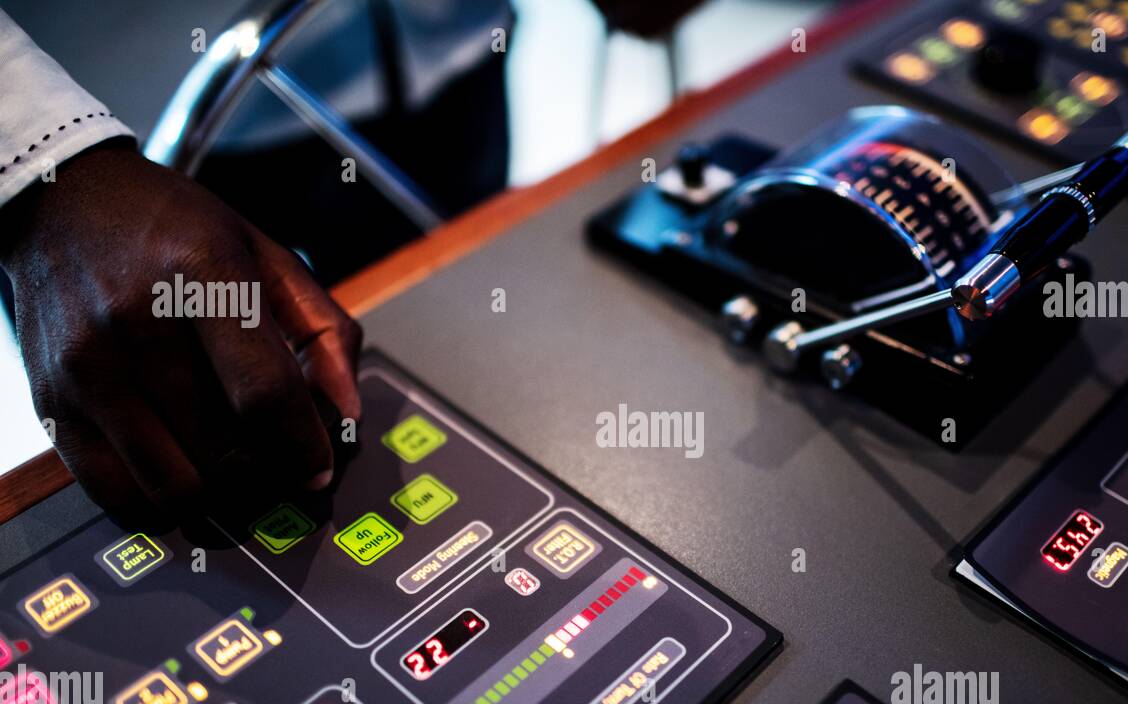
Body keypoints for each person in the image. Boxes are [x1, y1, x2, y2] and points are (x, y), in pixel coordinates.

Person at [0, 1, 702, 520]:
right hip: (141, 138)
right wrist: (42, 165)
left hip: (457, 50)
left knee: (465, 347)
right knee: (199, 423)